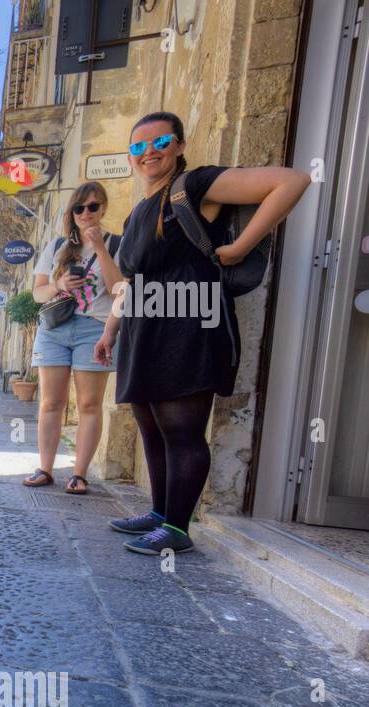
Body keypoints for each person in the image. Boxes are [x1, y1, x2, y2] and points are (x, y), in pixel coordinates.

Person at [95, 111, 310, 554]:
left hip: (189, 322)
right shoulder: (140, 209)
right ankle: (160, 514)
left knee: (181, 430)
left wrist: (240, 245)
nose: (148, 152)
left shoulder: (195, 184)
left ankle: (177, 529)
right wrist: (112, 330)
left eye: (159, 142)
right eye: (138, 146)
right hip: (144, 323)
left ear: (178, 144)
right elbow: (130, 280)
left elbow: (291, 181)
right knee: (152, 428)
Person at [22, 181, 123, 494]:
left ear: (103, 208)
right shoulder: (56, 247)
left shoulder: (118, 244)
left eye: (93, 206)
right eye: (79, 208)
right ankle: (45, 469)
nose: (86, 213)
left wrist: (102, 249)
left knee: (89, 405)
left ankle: (79, 474)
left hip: (95, 327)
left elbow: (120, 289)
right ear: (72, 212)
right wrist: (60, 285)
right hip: (54, 328)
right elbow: (37, 294)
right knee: (51, 402)